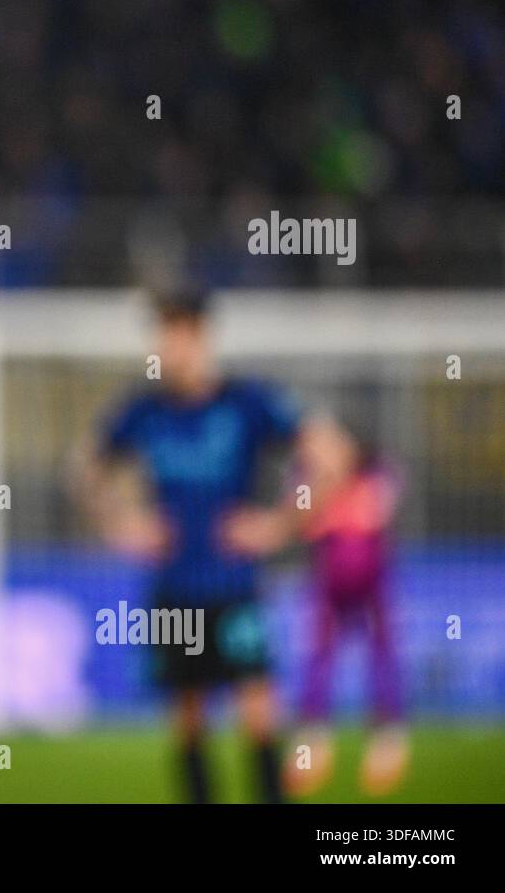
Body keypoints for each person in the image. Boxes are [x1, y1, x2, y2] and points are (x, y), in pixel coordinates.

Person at [76, 288, 316, 803]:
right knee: (187, 722)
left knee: (258, 713)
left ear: (202, 337)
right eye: (161, 334)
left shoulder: (246, 403)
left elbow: (323, 455)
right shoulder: (144, 411)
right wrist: (123, 525)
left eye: (177, 334)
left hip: (235, 588)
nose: (167, 346)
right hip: (174, 590)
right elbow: (85, 468)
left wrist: (278, 523)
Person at [284, 415, 408, 797]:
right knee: (319, 658)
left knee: (382, 655)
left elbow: (376, 512)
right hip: (327, 581)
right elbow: (301, 520)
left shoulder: (377, 474)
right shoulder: (305, 480)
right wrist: (322, 482)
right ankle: (312, 743)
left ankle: (387, 739)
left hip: (372, 579)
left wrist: (340, 482)